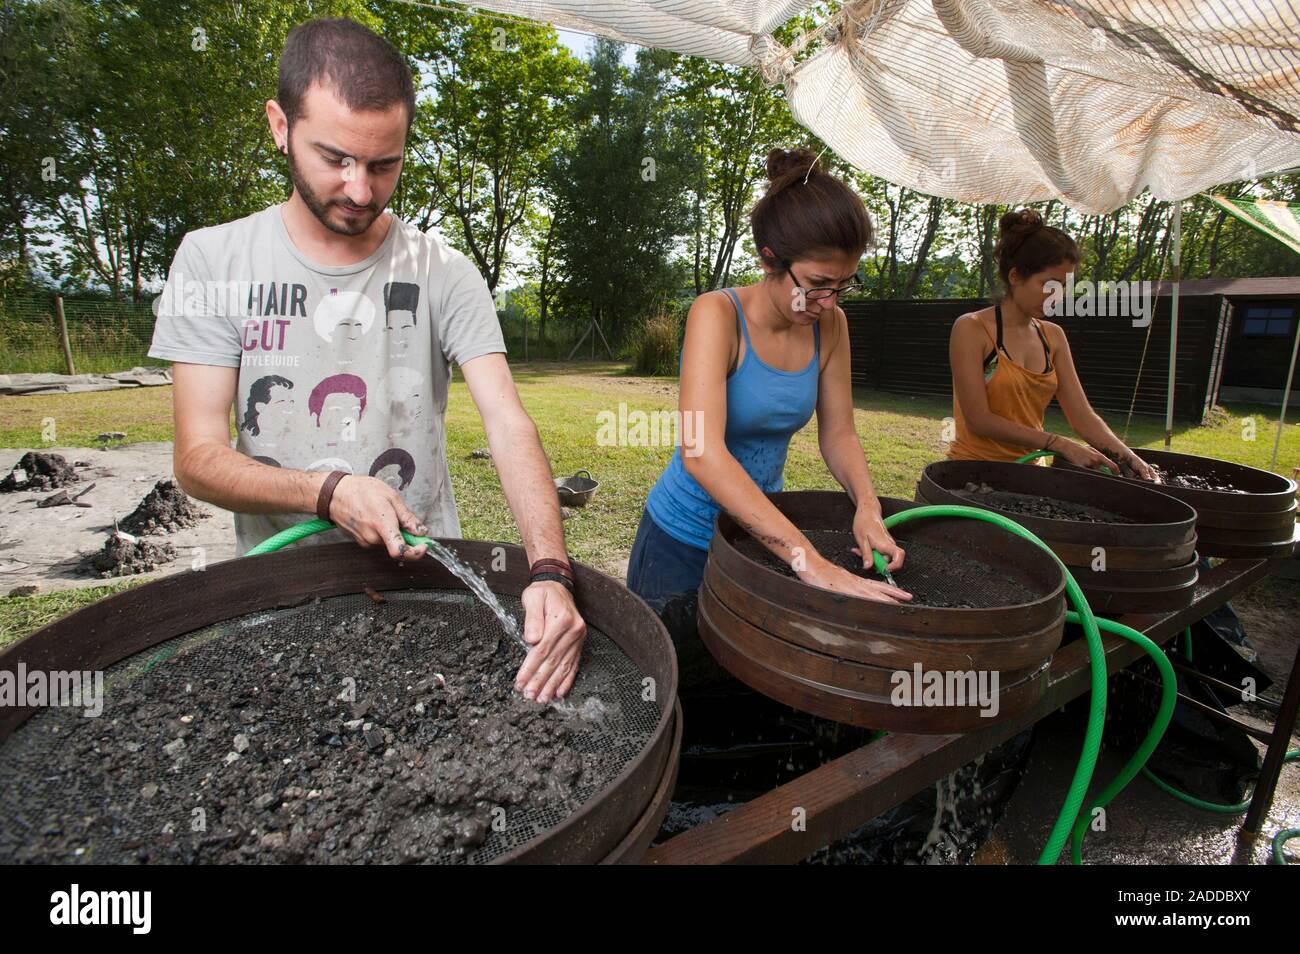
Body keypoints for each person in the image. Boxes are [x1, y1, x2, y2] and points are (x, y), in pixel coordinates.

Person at [147, 17, 583, 705]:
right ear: (279, 125)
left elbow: (507, 422)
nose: (359, 189)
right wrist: (327, 492)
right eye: (336, 158)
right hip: (282, 596)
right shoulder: (213, 261)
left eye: (385, 164)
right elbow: (197, 457)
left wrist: (551, 572)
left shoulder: (444, 271)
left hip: (426, 584)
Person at [626, 147, 910, 683]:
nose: (829, 301)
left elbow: (840, 432)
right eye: (817, 284)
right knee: (663, 689)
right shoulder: (717, 314)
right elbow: (702, 451)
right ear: (768, 258)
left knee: (740, 685)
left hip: (755, 536)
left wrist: (867, 507)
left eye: (844, 285)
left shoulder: (832, 326)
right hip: (680, 541)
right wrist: (809, 562)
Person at [947, 208, 1155, 478]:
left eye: (1064, 286)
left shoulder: (1053, 337)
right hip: (971, 472)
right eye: (1048, 284)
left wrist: (1129, 457)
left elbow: (1082, 416)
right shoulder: (973, 328)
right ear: (1015, 276)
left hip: (1030, 475)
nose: (1056, 296)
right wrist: (1058, 443)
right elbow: (978, 419)